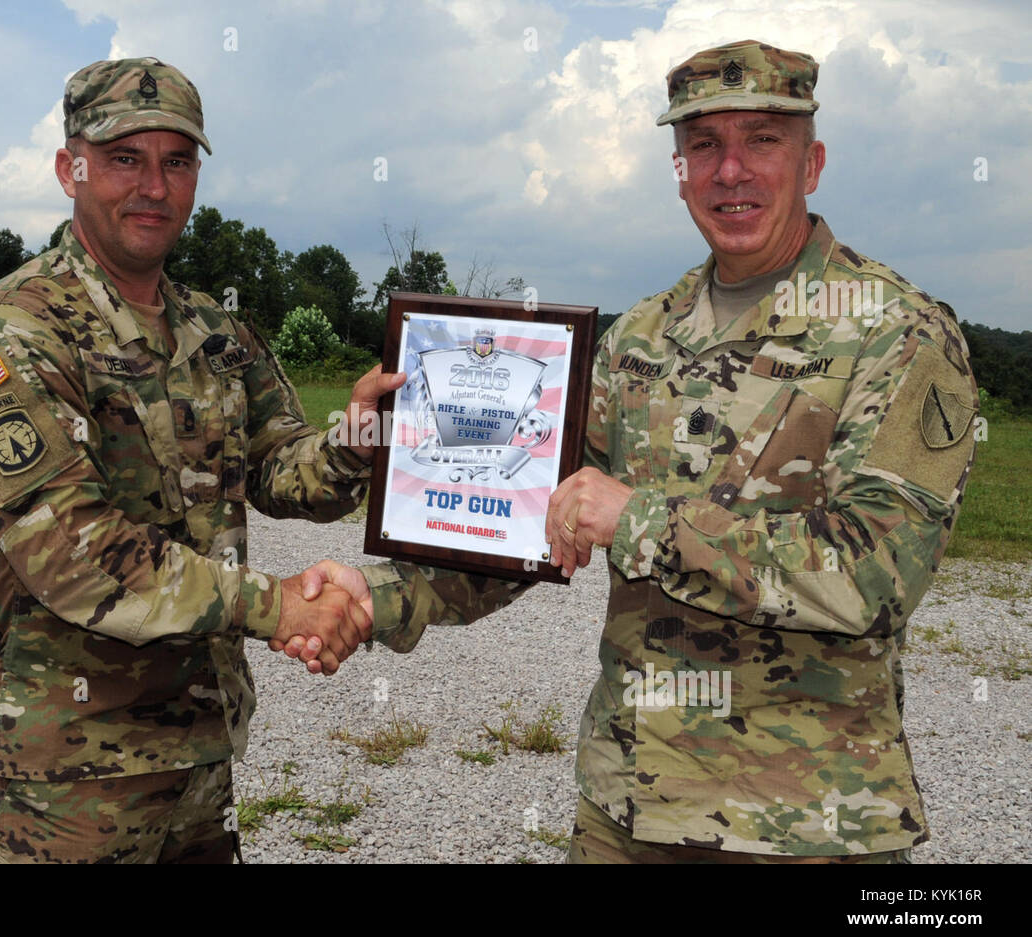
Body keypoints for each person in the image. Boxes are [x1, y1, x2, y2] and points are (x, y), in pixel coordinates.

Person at [283, 39, 979, 863]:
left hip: (803, 822)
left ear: (812, 161)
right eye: (703, 145)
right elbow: (525, 524)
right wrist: (373, 595)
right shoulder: (641, 337)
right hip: (627, 805)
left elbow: (877, 575)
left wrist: (638, 518)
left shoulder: (896, 333)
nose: (731, 171)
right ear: (679, 168)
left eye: (762, 139)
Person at [0, 56, 401, 864]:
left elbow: (280, 469)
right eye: (125, 159)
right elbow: (73, 549)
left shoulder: (214, 331)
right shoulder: (6, 333)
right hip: (60, 793)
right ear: (67, 169)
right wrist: (281, 605)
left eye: (176, 161)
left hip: (196, 774)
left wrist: (356, 439)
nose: (154, 186)